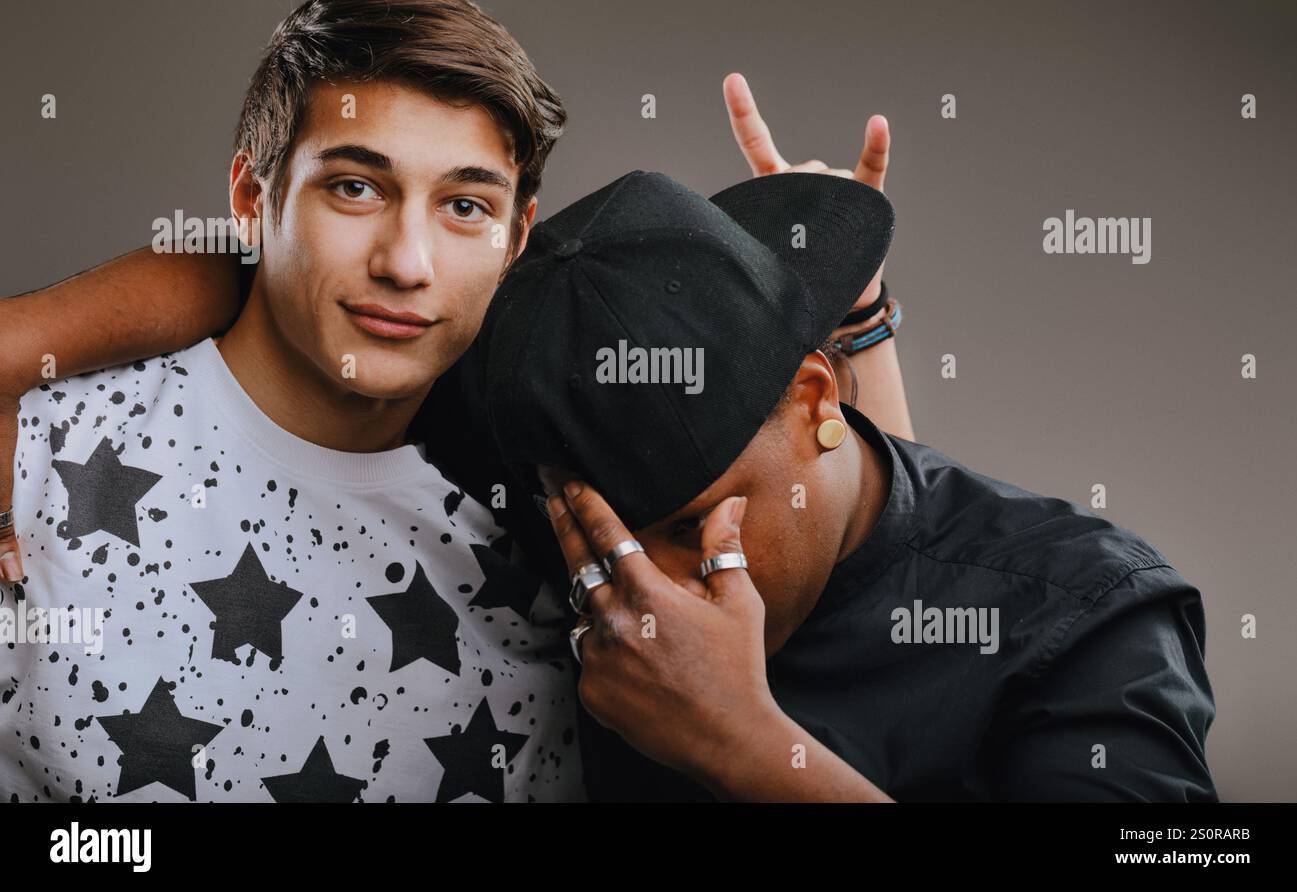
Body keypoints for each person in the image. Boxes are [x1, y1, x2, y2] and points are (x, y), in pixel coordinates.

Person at [0, 0, 913, 801]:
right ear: (251, 195)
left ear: (518, 239)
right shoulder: (38, 458)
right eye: (355, 188)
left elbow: (853, 592)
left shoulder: (561, 484)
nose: (407, 263)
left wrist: (835, 313)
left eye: (465, 206)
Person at [477, 168, 1219, 802]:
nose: (655, 601)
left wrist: (742, 742)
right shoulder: (535, 524)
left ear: (814, 401)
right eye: (606, 548)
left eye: (688, 528)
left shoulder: (1083, 615)